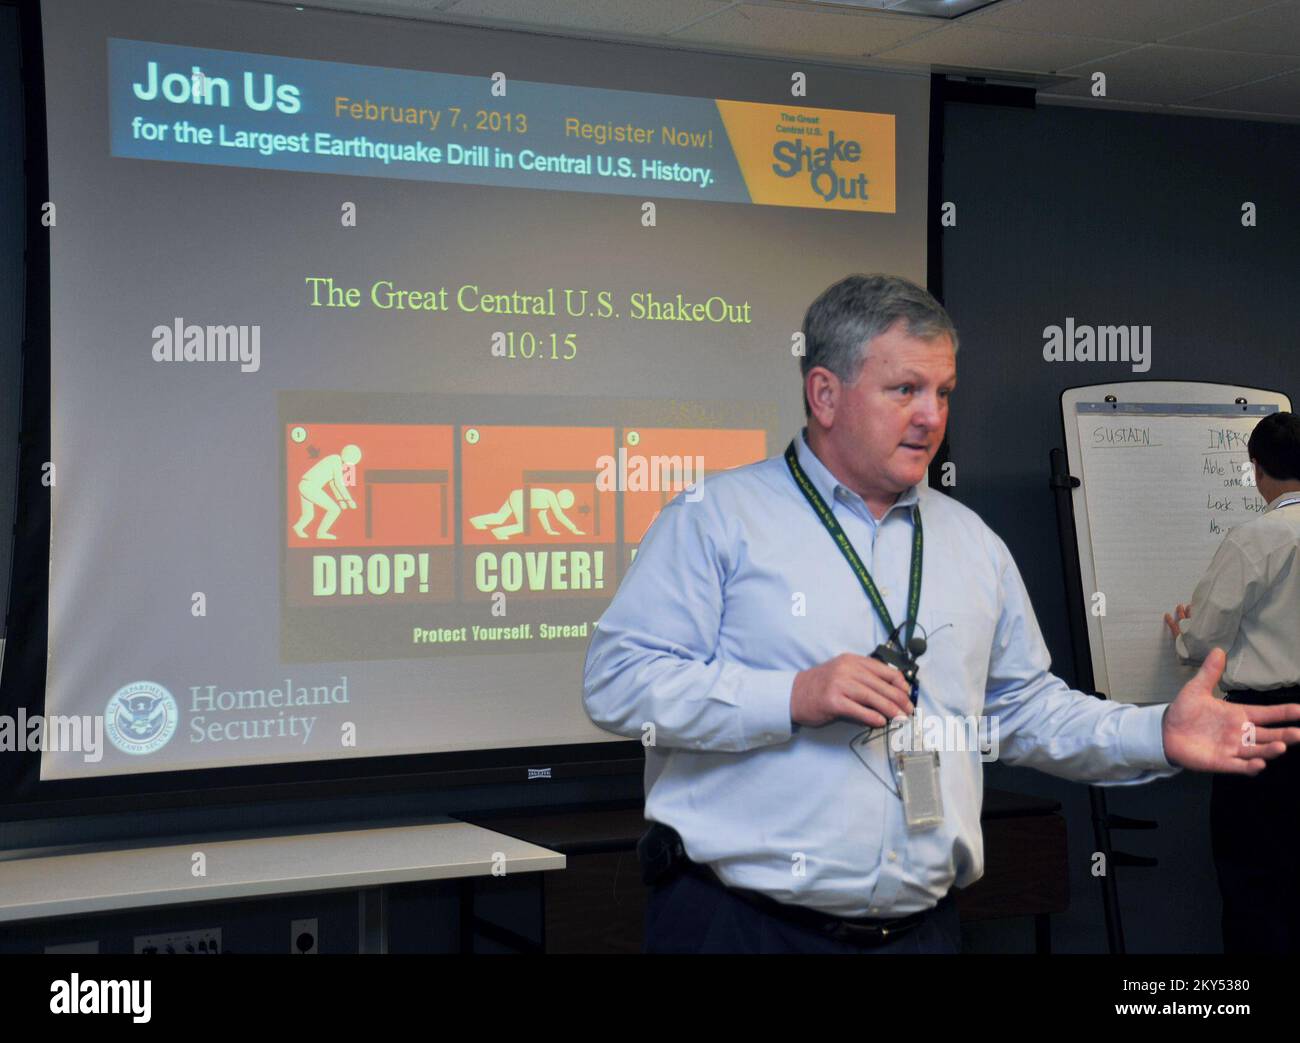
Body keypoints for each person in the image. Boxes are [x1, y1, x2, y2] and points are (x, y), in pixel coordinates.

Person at [582, 274, 1300, 954]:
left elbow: (1023, 708)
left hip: (924, 932)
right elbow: (618, 680)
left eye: (944, 391)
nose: (932, 416)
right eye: (905, 389)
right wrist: (791, 695)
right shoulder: (717, 520)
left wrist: (1156, 733)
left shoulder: (970, 543)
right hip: (742, 928)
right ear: (824, 394)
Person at [1164, 410, 1300, 953]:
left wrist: (1183, 632)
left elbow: (1205, 641)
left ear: (1257, 470)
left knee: (1253, 881)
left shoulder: (1256, 538)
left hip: (1260, 727)